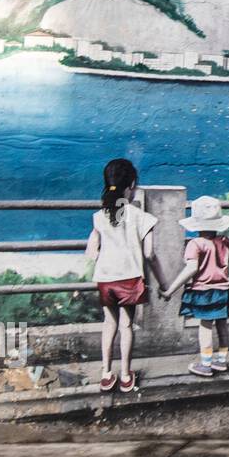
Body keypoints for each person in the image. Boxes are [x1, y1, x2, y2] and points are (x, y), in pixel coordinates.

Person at [85, 158, 158, 392]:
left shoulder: (99, 216)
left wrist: (105, 260)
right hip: (130, 278)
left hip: (106, 279)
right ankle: (126, 376)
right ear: (132, 185)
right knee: (126, 326)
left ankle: (106, 374)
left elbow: (91, 252)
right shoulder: (140, 217)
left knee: (109, 324)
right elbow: (150, 254)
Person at [161, 195, 229, 377]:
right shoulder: (226, 242)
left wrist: (170, 290)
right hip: (224, 290)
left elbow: (191, 268)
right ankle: (221, 361)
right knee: (222, 325)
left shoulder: (195, 244)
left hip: (204, 292)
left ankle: (205, 364)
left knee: (205, 327)